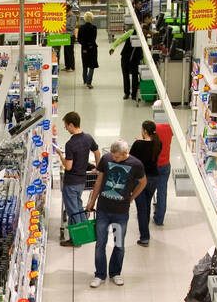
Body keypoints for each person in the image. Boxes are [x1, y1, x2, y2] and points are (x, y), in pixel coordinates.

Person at [84, 138, 147, 287]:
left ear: (126, 153)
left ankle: (115, 273)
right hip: (103, 210)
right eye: (112, 155)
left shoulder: (136, 165)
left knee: (119, 244)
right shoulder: (106, 159)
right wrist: (92, 201)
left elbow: (143, 182)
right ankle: (99, 274)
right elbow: (99, 181)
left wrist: (131, 197)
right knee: (100, 243)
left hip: (120, 213)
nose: (114, 158)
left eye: (117, 156)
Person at [55, 111, 100, 248]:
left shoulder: (70, 144)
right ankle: (83, 234)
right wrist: (97, 167)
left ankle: (76, 239)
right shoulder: (88, 138)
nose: (66, 129)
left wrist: (61, 156)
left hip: (71, 182)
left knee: (73, 211)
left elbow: (68, 166)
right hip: (82, 181)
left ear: (71, 125)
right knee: (78, 208)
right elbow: (97, 151)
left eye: (66, 126)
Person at [130, 120, 162, 246]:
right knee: (146, 205)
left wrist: (139, 142)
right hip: (153, 178)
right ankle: (145, 230)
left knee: (141, 209)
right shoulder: (158, 144)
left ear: (144, 131)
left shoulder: (138, 144)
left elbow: (131, 159)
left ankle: (144, 238)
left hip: (140, 180)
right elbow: (149, 149)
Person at [108, 26, 143, 100]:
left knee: (135, 76)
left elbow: (145, 51)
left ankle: (134, 94)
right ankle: (126, 93)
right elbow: (121, 38)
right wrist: (113, 47)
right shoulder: (131, 32)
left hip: (136, 59)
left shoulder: (144, 36)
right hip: (125, 57)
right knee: (125, 75)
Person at [151, 120, 173, 228]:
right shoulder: (170, 127)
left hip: (153, 165)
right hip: (165, 164)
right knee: (162, 192)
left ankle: (144, 214)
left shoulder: (153, 128)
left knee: (147, 191)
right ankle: (159, 219)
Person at [77, 12, 98, 88]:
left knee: (85, 65)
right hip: (92, 49)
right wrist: (90, 46)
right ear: (92, 18)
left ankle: (85, 80)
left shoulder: (81, 28)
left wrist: (84, 46)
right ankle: (89, 82)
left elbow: (79, 39)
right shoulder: (94, 28)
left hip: (84, 49)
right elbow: (94, 39)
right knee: (92, 65)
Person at [62, 2, 78, 72]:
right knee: (66, 51)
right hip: (65, 36)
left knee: (70, 52)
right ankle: (67, 66)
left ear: (70, 10)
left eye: (67, 11)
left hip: (70, 36)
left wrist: (63, 26)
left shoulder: (73, 17)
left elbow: (72, 27)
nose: (66, 12)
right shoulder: (65, 16)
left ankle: (72, 67)